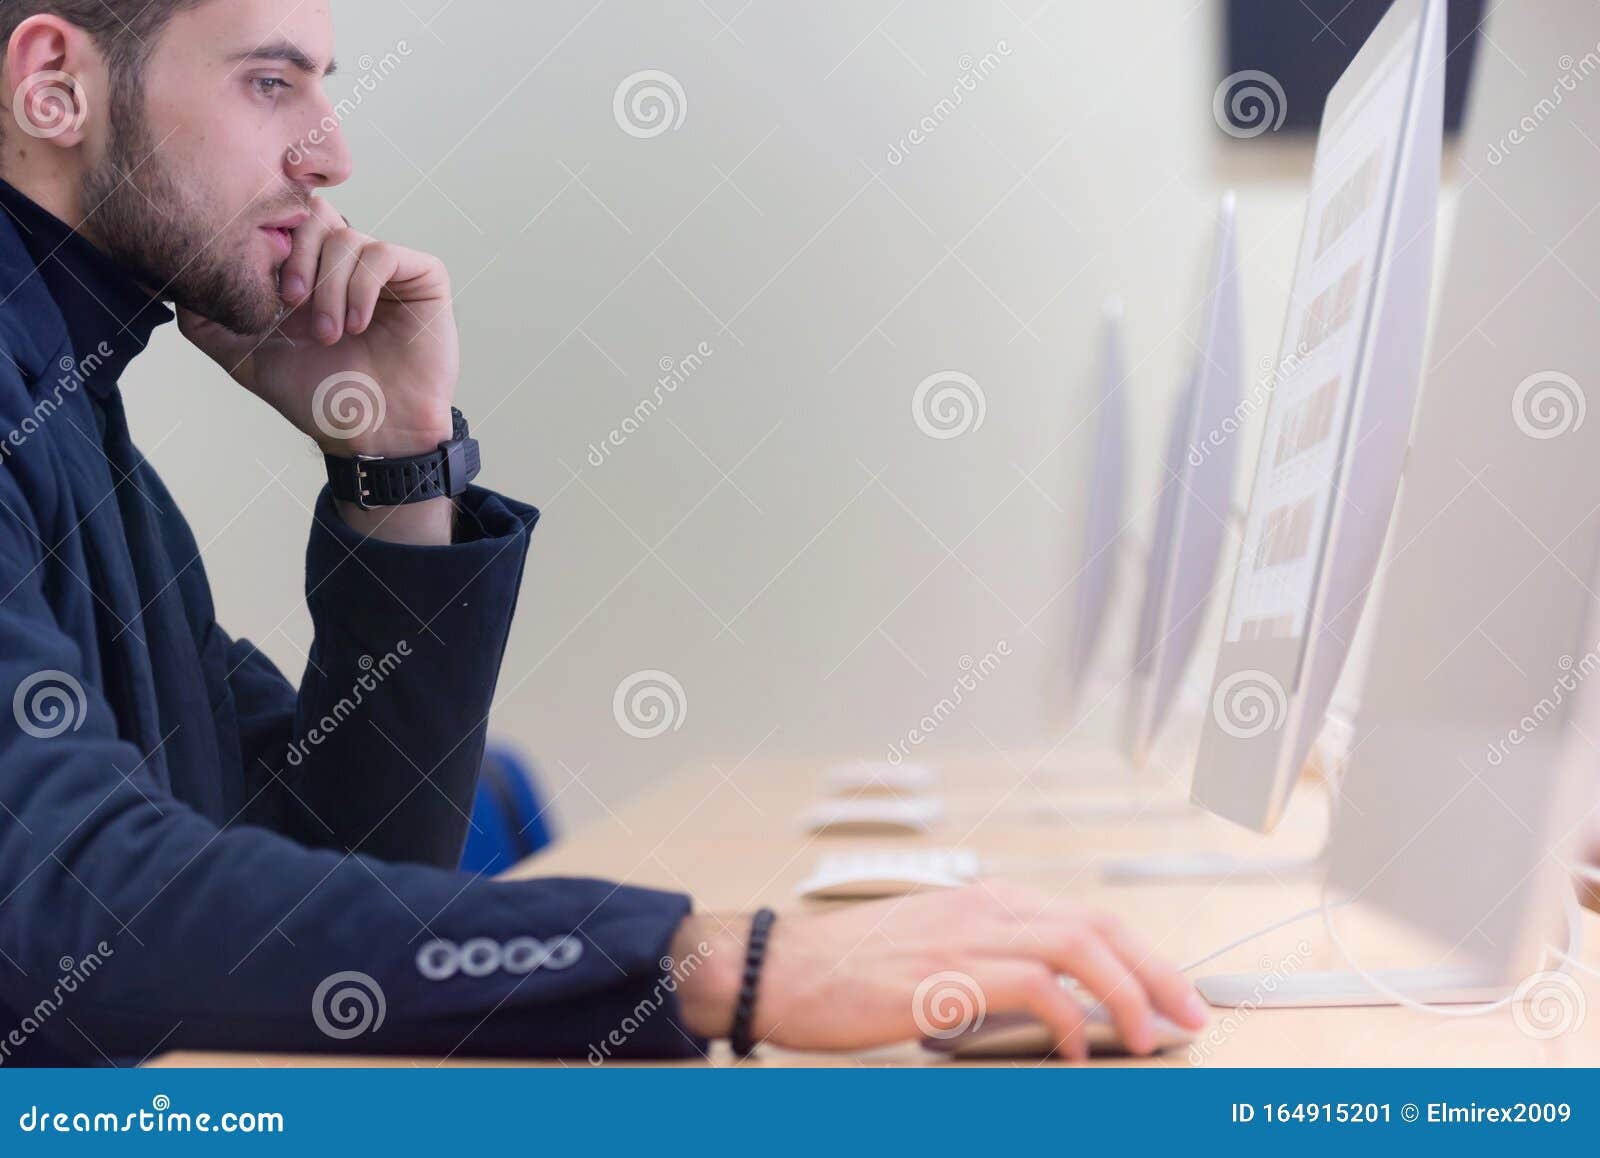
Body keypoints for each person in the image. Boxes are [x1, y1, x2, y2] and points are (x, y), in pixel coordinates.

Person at [0, 0, 1207, 1066]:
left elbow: (335, 868)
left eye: (324, 85)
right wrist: (718, 966)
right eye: (273, 82)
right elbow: (72, 904)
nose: (330, 153)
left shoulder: (77, 412)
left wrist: (398, 465)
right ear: (53, 79)